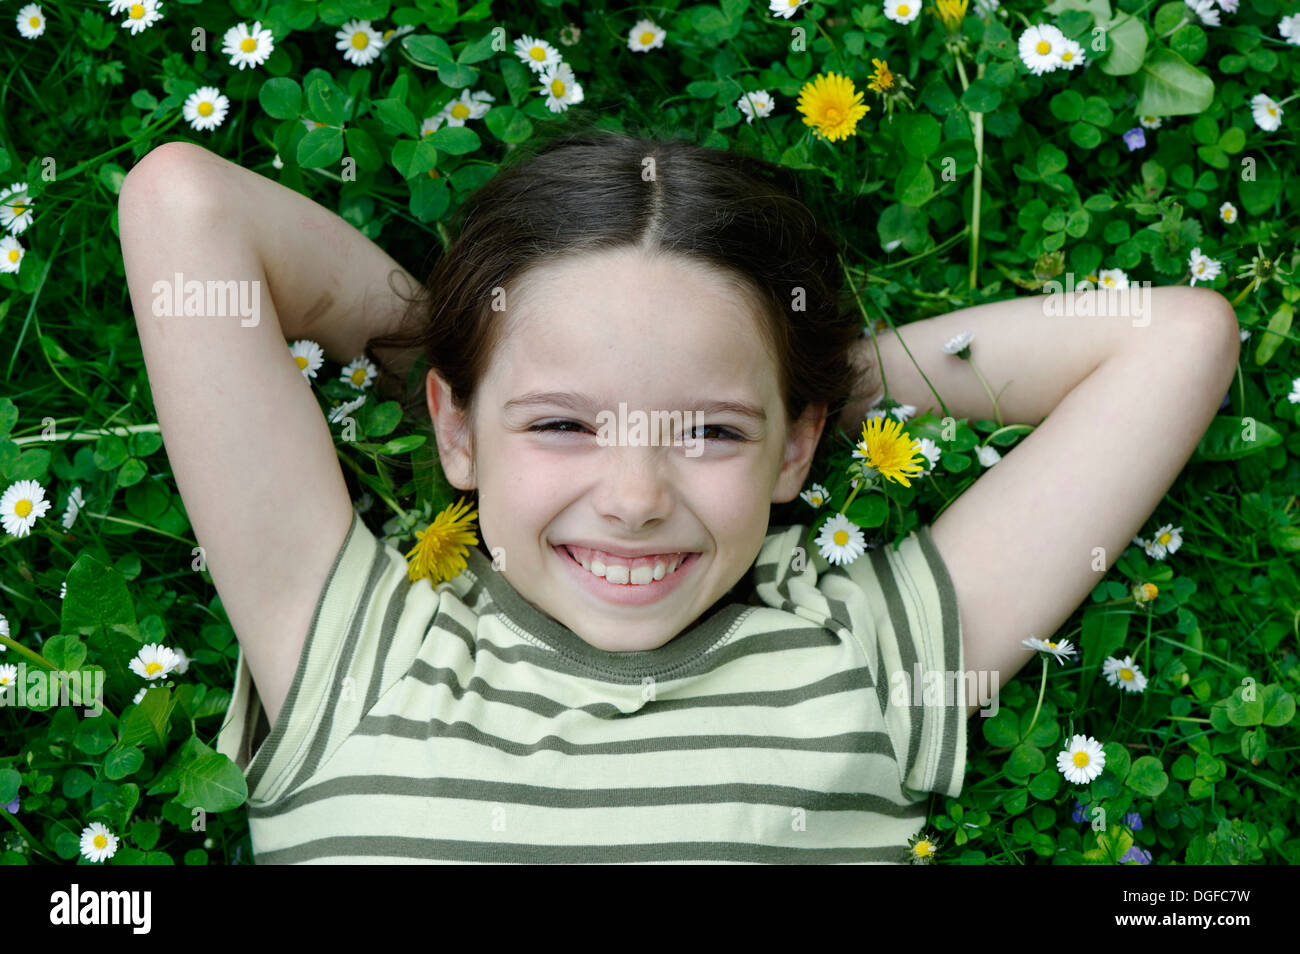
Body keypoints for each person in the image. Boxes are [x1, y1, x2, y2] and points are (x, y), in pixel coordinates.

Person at [117, 126, 1240, 864]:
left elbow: (1176, 340)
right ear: (454, 431)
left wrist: (810, 389)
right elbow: (182, 206)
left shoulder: (862, 662)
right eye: (560, 423)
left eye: (707, 432)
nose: (637, 495)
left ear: (796, 454)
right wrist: (450, 350)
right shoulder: (352, 648)